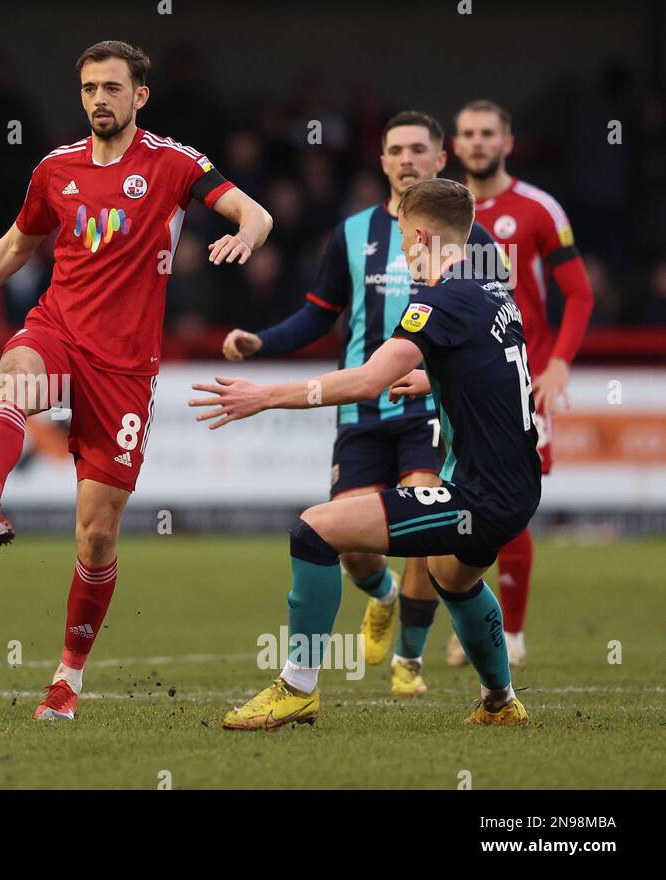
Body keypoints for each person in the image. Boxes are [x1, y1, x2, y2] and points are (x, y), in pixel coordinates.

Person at [0, 40, 272, 721]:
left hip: (125, 369)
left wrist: (247, 234)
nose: (99, 98)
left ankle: (66, 679)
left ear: (138, 96)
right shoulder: (54, 170)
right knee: (19, 374)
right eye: (90, 87)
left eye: (112, 88)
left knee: (95, 537)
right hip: (59, 329)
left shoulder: (175, 164)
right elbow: (14, 246)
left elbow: (254, 211)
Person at [192, 178, 538, 729]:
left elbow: (366, 381)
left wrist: (264, 396)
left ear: (423, 235)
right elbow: (498, 365)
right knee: (454, 578)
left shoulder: (441, 301)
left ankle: (297, 688)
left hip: (479, 496)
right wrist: (437, 381)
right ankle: (500, 702)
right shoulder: (493, 287)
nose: (402, 251)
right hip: (514, 486)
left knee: (315, 530)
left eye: (403, 239)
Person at [221, 112, 503, 697]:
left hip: (425, 405)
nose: (406, 159)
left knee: (426, 518)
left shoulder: (469, 241)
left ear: (440, 159)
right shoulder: (352, 233)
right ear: (380, 161)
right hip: (361, 407)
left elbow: (494, 329)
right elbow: (319, 314)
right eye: (394, 149)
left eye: (417, 149)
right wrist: (263, 342)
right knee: (352, 545)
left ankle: (409, 659)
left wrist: (444, 381)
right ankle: (383, 596)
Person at [451, 99, 595, 667]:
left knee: (508, 503)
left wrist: (559, 362)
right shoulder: (442, 209)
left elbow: (580, 294)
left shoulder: (538, 209)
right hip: (456, 380)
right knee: (456, 499)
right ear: (455, 145)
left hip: (520, 378)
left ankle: (509, 633)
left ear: (508, 141)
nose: (479, 142)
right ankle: (472, 617)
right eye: (468, 133)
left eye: (489, 133)